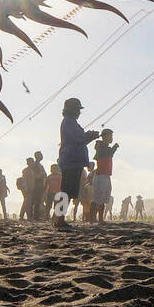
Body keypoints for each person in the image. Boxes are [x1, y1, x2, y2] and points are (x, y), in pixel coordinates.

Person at [55, 97, 99, 229]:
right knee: (66, 191)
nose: (79, 112)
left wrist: (89, 136)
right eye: (78, 110)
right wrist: (90, 136)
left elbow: (79, 139)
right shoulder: (69, 122)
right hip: (71, 160)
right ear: (72, 110)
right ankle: (59, 220)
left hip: (73, 161)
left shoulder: (70, 122)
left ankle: (59, 219)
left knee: (68, 191)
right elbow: (79, 139)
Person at [90, 130, 119, 223]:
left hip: (106, 175)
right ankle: (92, 218)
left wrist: (113, 148)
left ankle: (100, 218)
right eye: (110, 136)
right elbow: (109, 153)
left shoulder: (104, 147)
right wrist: (115, 147)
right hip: (101, 175)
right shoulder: (101, 147)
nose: (111, 138)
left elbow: (109, 153)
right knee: (97, 198)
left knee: (103, 198)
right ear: (105, 137)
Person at [30, 151, 48, 220]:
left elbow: (44, 174)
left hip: (40, 184)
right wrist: (41, 175)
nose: (41, 156)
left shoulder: (40, 165)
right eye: (40, 155)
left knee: (38, 200)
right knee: (35, 200)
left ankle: (35, 216)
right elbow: (35, 175)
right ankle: (34, 216)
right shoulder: (35, 165)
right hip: (36, 184)